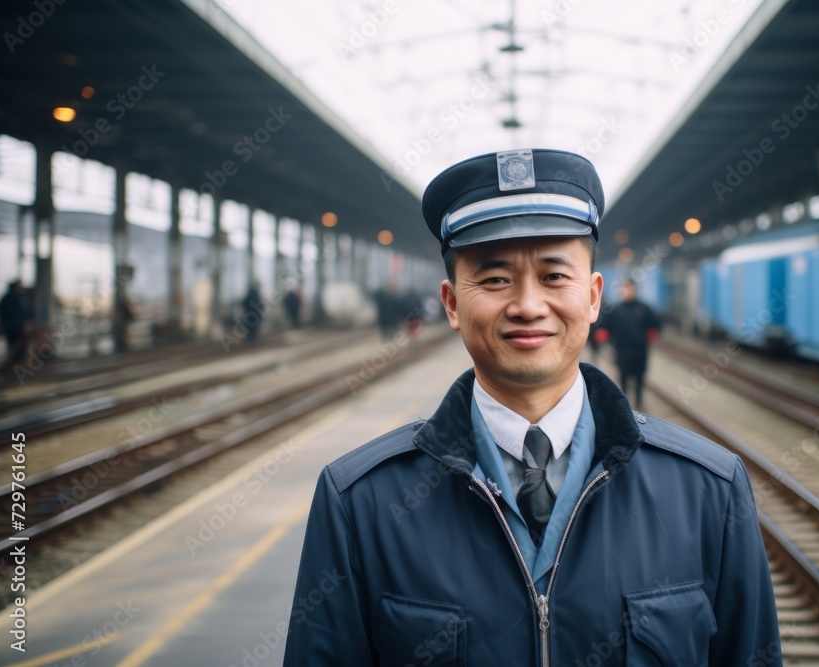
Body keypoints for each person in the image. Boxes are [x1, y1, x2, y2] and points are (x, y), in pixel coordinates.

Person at [284, 149, 780, 666]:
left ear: (592, 296)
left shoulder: (708, 490)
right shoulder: (359, 502)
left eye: (554, 276)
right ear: (452, 303)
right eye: (495, 279)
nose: (527, 305)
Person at [597, 277, 661, 409]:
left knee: (640, 378)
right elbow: (605, 326)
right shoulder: (616, 310)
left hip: (640, 350)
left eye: (628, 288)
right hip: (622, 350)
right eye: (623, 288)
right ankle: (625, 405)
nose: (625, 291)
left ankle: (639, 403)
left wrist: (653, 332)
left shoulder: (644, 308)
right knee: (623, 377)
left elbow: (656, 324)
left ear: (634, 289)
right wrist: (602, 333)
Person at [0, 280, 31, 364]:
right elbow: (22, 312)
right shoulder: (17, 298)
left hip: (10, 326)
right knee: (18, 345)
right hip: (16, 326)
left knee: (13, 344)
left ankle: (14, 362)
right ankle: (16, 362)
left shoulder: (5, 298)